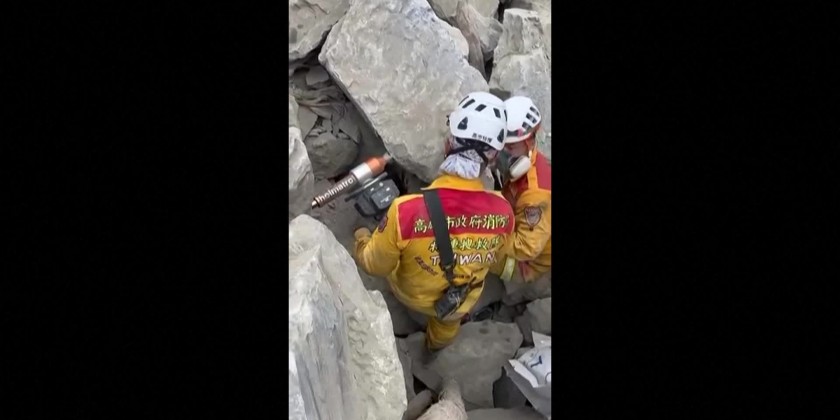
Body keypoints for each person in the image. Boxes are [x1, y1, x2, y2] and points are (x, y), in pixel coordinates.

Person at [353, 91, 515, 353]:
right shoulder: (504, 212)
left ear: (449, 145)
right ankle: (433, 348)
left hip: (410, 294)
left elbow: (375, 264)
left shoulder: (405, 211)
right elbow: (498, 255)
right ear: (493, 158)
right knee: (447, 326)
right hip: (458, 302)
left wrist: (361, 237)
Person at [489, 96, 552, 304]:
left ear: (529, 142)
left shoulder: (535, 195)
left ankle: (514, 287)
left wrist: (489, 235)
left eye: (510, 148)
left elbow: (527, 248)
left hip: (528, 264)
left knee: (475, 248)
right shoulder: (526, 165)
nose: (501, 154)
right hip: (515, 220)